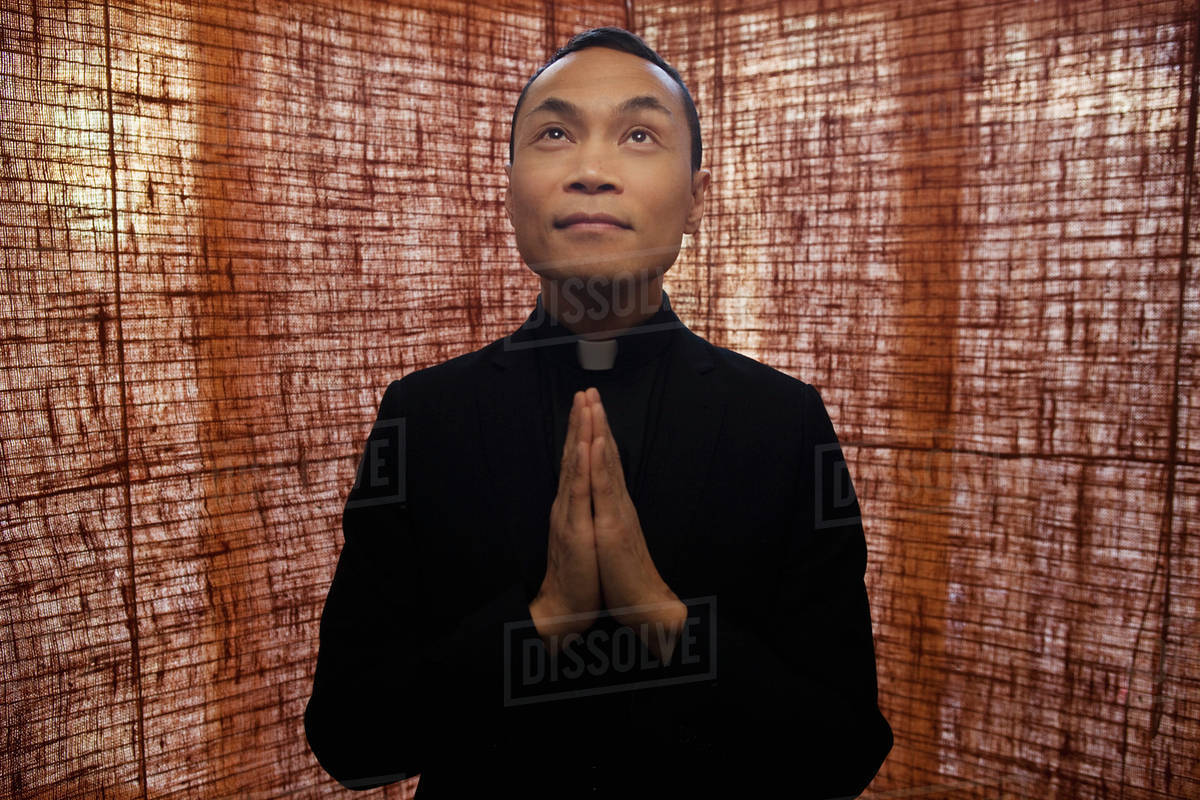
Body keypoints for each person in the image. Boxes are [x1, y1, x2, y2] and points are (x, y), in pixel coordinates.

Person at [304, 26, 892, 799]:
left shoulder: (784, 423)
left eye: (639, 134)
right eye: (554, 133)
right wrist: (544, 621)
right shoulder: (423, 418)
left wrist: (659, 615)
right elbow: (352, 740)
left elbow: (844, 752)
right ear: (510, 188)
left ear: (695, 196)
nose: (590, 170)